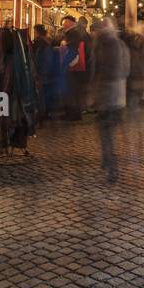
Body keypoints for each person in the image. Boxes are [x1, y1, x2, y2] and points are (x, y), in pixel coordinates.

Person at [91, 18, 130, 183]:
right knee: (109, 131)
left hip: (105, 93)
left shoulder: (100, 44)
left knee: (106, 132)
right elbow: (125, 69)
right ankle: (109, 160)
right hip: (116, 93)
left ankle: (110, 163)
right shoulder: (120, 45)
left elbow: (95, 69)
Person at [57, 15, 84, 120]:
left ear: (70, 22)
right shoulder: (73, 33)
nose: (63, 24)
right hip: (72, 66)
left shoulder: (74, 33)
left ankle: (73, 113)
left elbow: (72, 50)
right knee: (72, 90)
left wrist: (64, 63)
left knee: (71, 90)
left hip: (72, 66)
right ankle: (72, 112)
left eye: (64, 22)